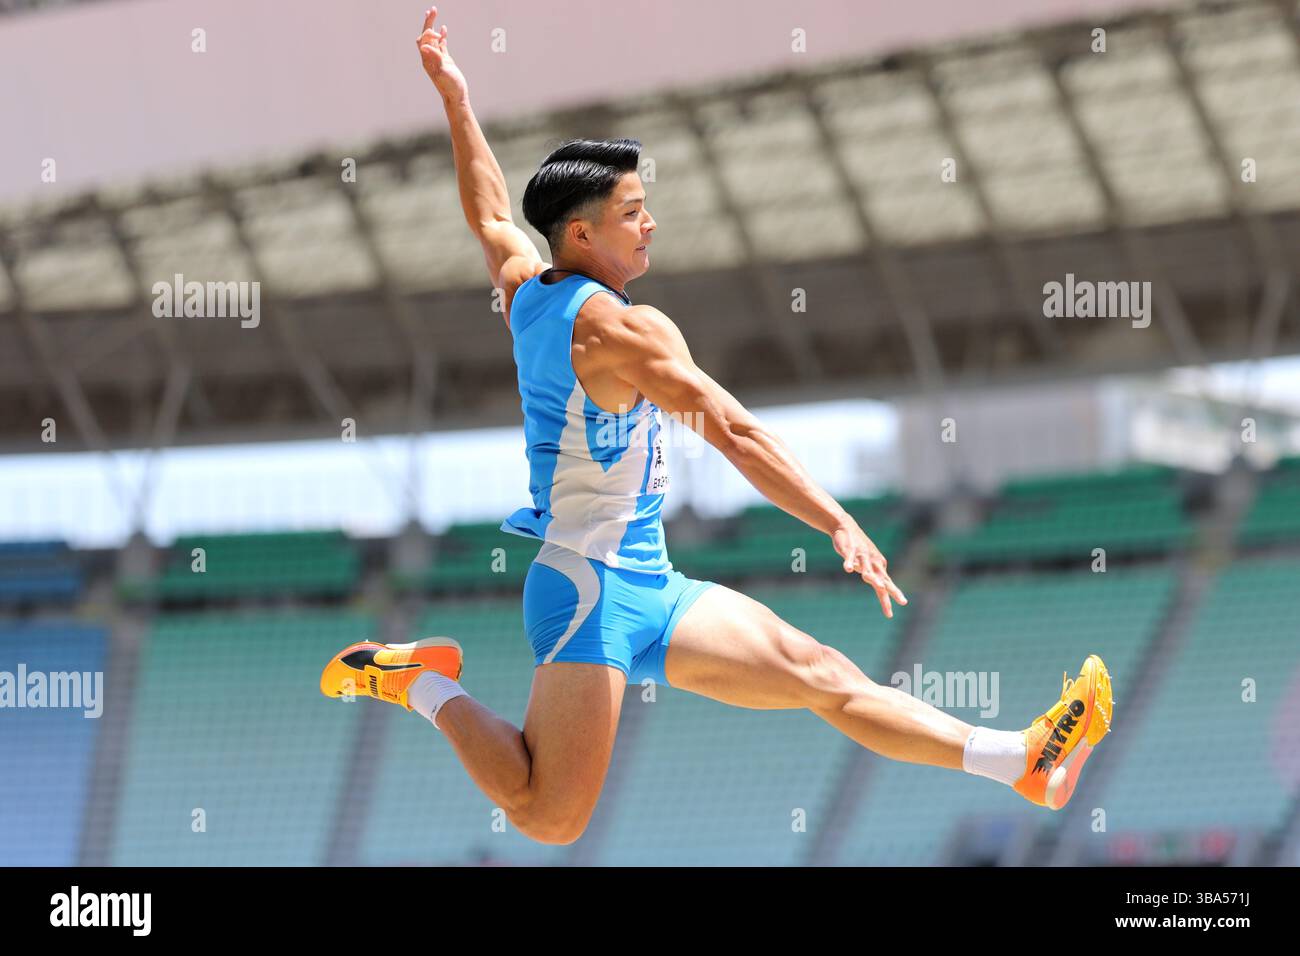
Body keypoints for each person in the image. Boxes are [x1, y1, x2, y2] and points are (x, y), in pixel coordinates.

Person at [319, 7, 1114, 846]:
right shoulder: (624, 333)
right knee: (549, 817)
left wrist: (457, 98)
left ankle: (1020, 758)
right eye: (632, 211)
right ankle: (419, 681)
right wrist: (836, 520)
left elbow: (487, 213)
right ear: (582, 232)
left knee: (822, 676)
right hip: (587, 591)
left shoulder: (528, 286)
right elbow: (732, 433)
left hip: (654, 583)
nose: (650, 222)